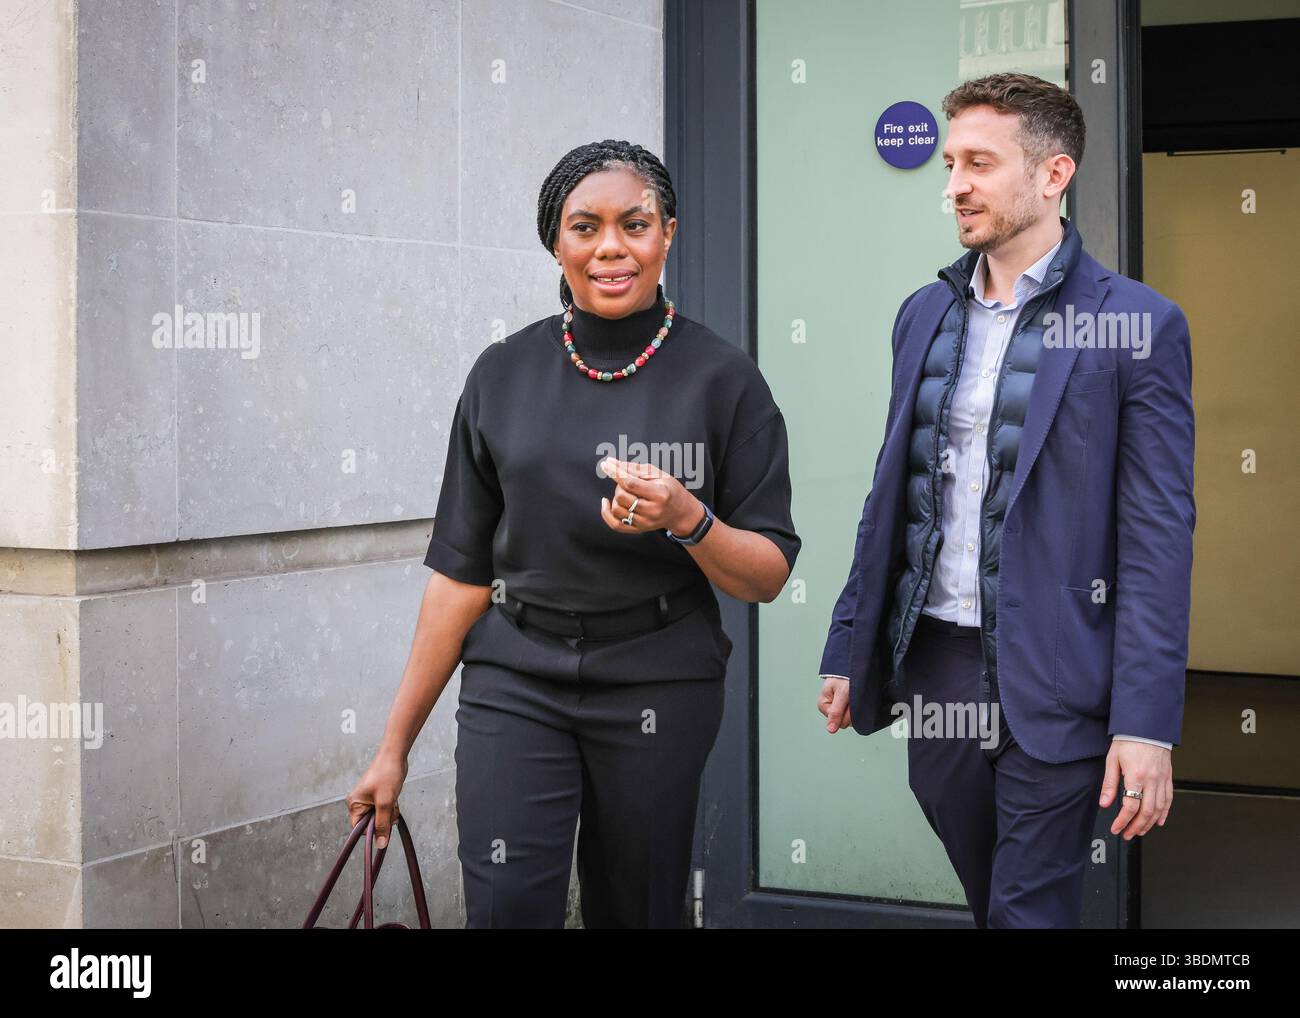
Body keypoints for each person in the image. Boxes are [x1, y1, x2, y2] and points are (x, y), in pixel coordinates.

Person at [347, 139, 800, 928]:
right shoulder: (501, 374)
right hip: (516, 678)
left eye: (635, 224)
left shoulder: (724, 379)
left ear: (668, 234)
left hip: (659, 682)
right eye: (585, 227)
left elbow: (764, 575)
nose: (611, 247)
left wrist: (687, 519)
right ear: (555, 243)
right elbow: (459, 577)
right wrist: (394, 747)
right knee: (506, 906)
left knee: (638, 909)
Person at [816, 73, 1195, 928]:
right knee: (989, 895)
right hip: (938, 665)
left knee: (1029, 907)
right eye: (950, 164)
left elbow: (1158, 538)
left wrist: (1146, 723)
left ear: (1054, 174)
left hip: (1060, 673)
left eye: (980, 164)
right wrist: (848, 645)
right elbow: (893, 495)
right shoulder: (922, 314)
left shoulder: (1139, 325)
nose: (955, 185)